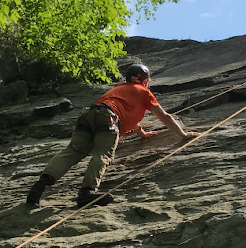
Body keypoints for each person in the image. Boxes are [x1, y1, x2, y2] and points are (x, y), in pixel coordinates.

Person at [25, 59, 195, 209]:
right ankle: (87, 193)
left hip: (89, 115)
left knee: (72, 152)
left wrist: (141, 133)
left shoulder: (119, 89)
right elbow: (164, 116)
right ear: (141, 79)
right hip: (108, 119)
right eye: (146, 80)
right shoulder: (143, 92)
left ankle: (40, 185)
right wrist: (183, 134)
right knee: (103, 154)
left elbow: (126, 115)